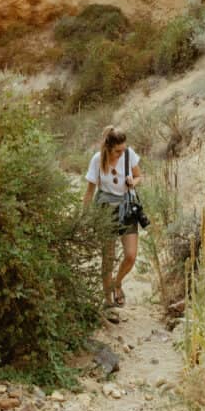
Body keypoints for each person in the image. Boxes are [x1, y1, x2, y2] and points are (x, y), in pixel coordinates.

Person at [83, 125, 142, 307]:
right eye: (117, 151)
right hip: (105, 209)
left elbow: (139, 176)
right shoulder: (97, 160)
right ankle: (108, 301)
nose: (121, 153)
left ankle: (117, 283)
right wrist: (84, 216)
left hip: (127, 206)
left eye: (123, 149)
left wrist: (133, 182)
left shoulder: (128, 154)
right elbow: (89, 191)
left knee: (131, 255)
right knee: (108, 257)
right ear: (108, 148)